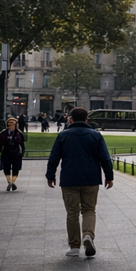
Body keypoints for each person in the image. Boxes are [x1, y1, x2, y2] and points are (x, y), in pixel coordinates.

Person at [45, 107, 114, 258]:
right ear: (86, 120)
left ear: (71, 119)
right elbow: (105, 158)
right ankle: (88, 234)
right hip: (91, 178)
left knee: (72, 213)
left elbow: (54, 157)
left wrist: (50, 176)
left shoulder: (64, 135)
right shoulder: (96, 135)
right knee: (89, 209)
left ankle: (74, 246)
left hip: (69, 178)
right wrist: (109, 176)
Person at [0, 116, 26, 191]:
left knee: (15, 168)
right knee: (6, 168)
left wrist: (22, 152)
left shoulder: (18, 133)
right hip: (6, 152)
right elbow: (0, 143)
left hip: (16, 153)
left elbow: (22, 143)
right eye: (9, 124)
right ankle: (10, 182)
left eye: (12, 124)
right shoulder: (4, 133)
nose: (10, 126)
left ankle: (12, 182)